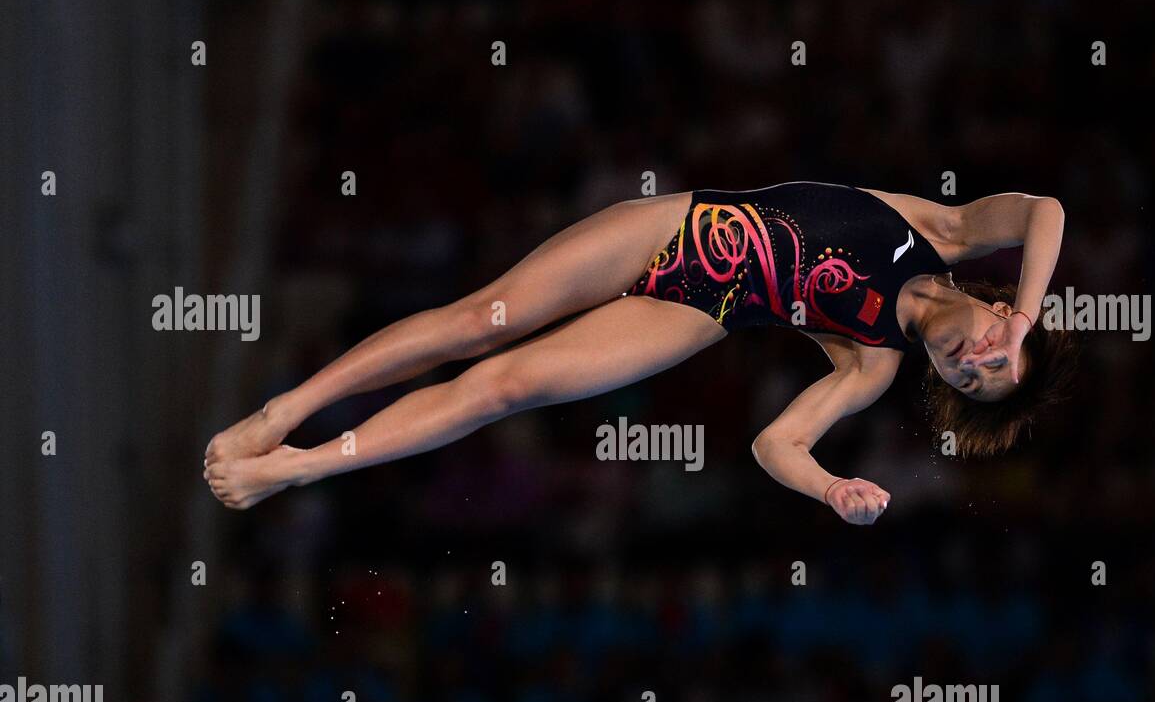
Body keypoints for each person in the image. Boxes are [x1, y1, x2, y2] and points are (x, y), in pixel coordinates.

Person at [205, 181, 1070, 524]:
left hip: (700, 307)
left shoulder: (875, 360)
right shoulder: (943, 231)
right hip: (678, 224)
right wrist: (1032, 316)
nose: (979, 362)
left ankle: (301, 466)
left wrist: (829, 487)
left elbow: (777, 444)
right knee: (481, 320)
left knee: (502, 388)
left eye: (972, 381)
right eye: (999, 354)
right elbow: (1046, 211)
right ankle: (283, 410)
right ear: (1002, 310)